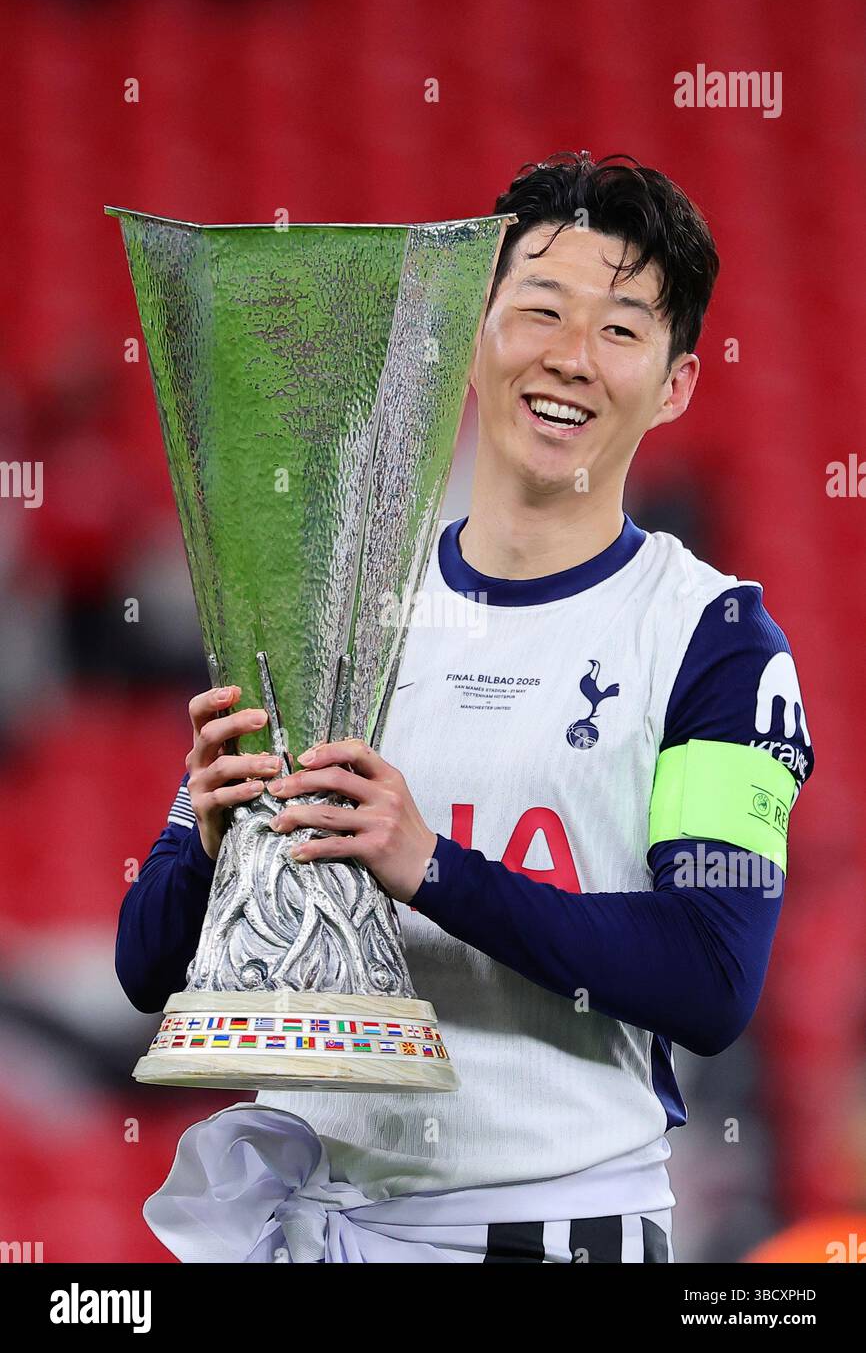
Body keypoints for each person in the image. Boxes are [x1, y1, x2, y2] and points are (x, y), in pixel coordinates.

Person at [117, 151, 814, 1263]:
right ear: (473, 331)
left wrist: (433, 867)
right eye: (538, 308)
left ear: (676, 381)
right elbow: (146, 967)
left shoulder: (716, 643)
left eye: (622, 329)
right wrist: (202, 850)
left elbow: (708, 972)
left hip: (552, 1234)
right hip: (319, 1229)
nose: (569, 357)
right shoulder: (331, 603)